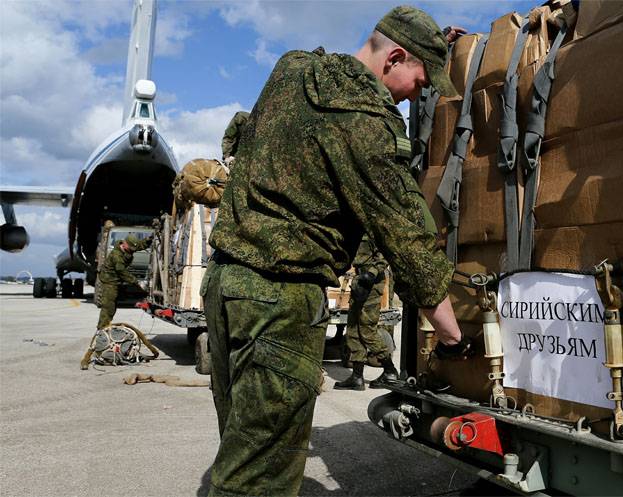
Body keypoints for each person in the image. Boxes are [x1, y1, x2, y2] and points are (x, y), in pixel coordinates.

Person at [202, 6, 469, 496]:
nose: (419, 94)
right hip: (279, 304)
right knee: (258, 477)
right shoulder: (366, 121)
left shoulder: (291, 69)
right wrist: (452, 335)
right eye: (421, 80)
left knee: (241, 443)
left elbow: (240, 136)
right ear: (395, 57)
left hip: (224, 285)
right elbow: (404, 235)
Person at [334, 236, 397, 391]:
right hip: (359, 279)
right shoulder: (357, 226)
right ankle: (357, 377)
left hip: (372, 282)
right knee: (353, 329)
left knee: (367, 330)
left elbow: (385, 253)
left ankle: (390, 371)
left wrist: (371, 274)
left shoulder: (372, 227)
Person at [96, 234, 151, 330]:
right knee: (109, 306)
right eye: (131, 248)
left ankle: (105, 326)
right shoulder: (116, 256)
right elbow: (122, 272)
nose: (133, 250)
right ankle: (102, 329)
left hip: (116, 279)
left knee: (113, 305)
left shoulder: (129, 247)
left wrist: (149, 239)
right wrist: (137, 282)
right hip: (109, 280)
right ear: (124, 244)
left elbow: (140, 245)